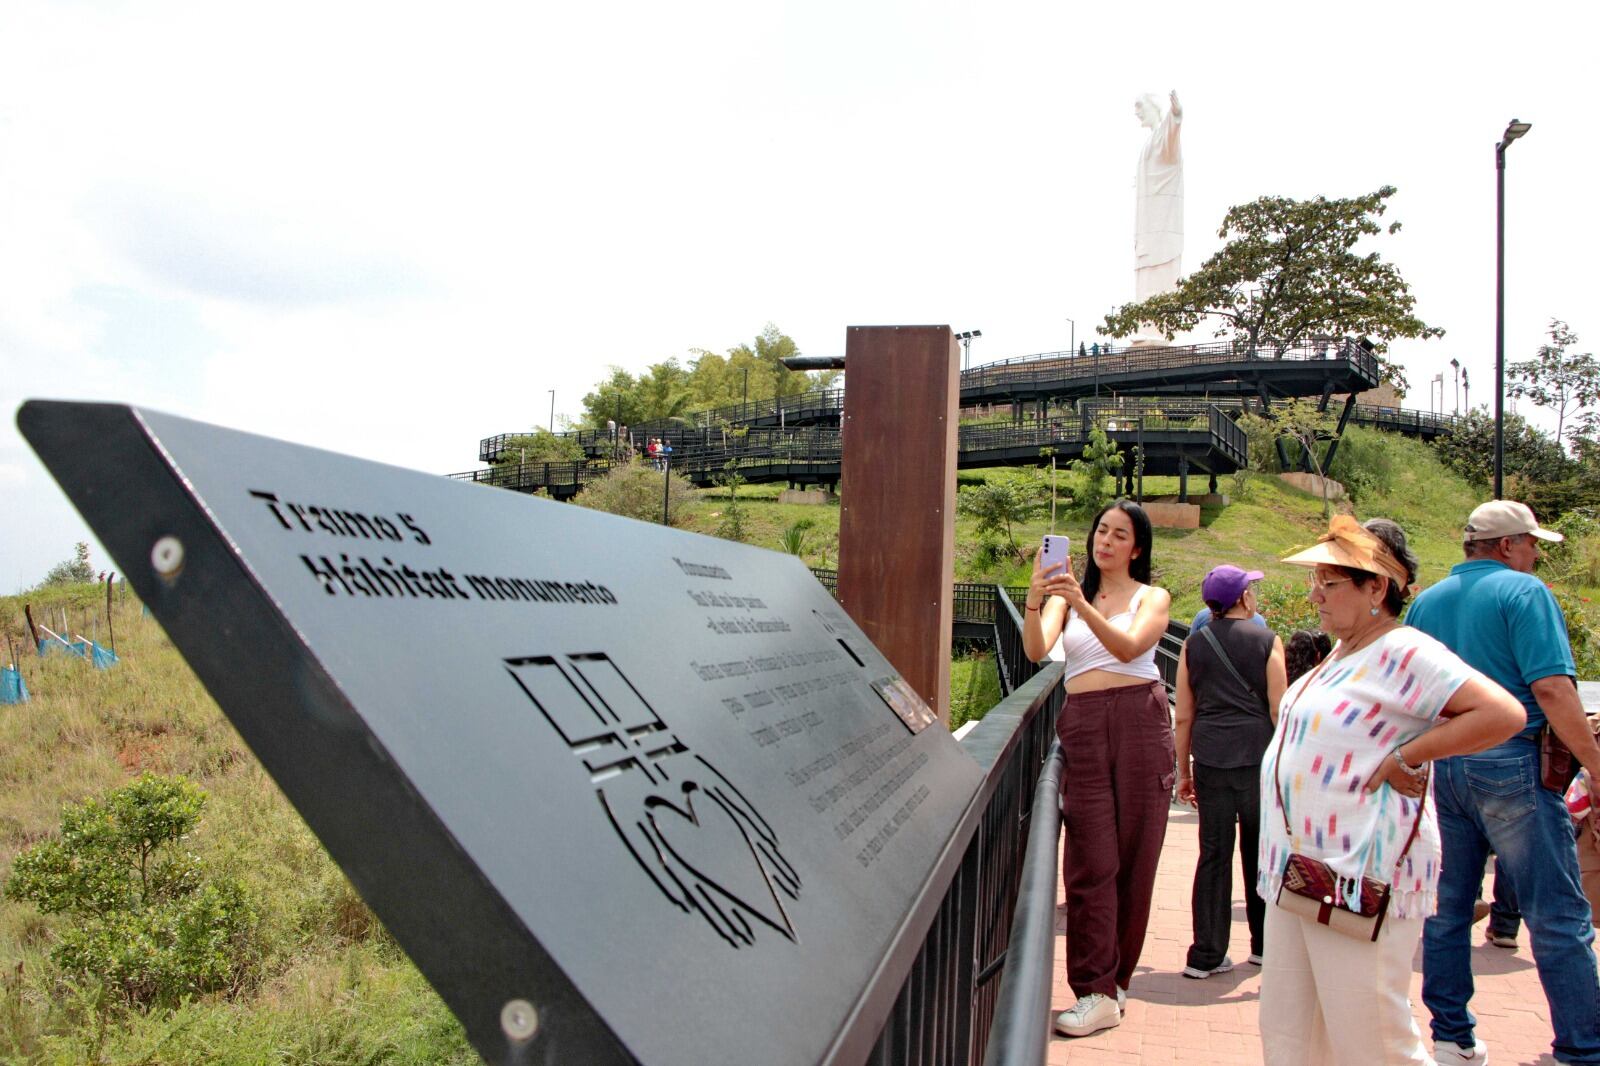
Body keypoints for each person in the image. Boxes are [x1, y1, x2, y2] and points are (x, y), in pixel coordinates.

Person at [1258, 515, 1525, 1066]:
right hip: (1302, 870)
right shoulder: (1342, 652)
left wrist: (1409, 755)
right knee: (1290, 1035)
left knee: (1373, 1041)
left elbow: (1502, 713)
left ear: (1376, 588)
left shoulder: (1404, 651)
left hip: (1359, 874)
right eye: (1315, 580)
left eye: (1329, 582)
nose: (1314, 595)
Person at [1408, 499, 1600, 1066]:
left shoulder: (1426, 601)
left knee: (1447, 911)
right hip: (1512, 758)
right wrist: (1594, 762)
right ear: (1508, 545)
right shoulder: (1524, 593)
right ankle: (1582, 1045)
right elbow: (1552, 689)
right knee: (1557, 913)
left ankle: (1451, 1037)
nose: (1536, 555)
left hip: (1444, 763)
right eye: (1533, 544)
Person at [1022, 499, 1173, 1038]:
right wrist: (1036, 598)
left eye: (1119, 534)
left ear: (1137, 548)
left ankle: (1115, 982)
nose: (1105, 541)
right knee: (1090, 861)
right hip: (1084, 723)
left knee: (1136, 857)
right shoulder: (1067, 597)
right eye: (1101, 531)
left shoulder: (1152, 597)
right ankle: (1094, 989)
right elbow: (1037, 649)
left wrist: (1081, 605)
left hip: (1140, 722)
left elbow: (1130, 649)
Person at [1174, 565, 1286, 979]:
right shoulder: (1268, 641)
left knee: (1213, 854)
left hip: (1210, 758)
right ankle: (1264, 946)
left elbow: (1183, 716)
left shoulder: (1193, 645)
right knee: (1260, 852)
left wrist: (1183, 771)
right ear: (1242, 598)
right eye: (1251, 589)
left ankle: (1205, 954)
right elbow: (1279, 710)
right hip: (1258, 758)